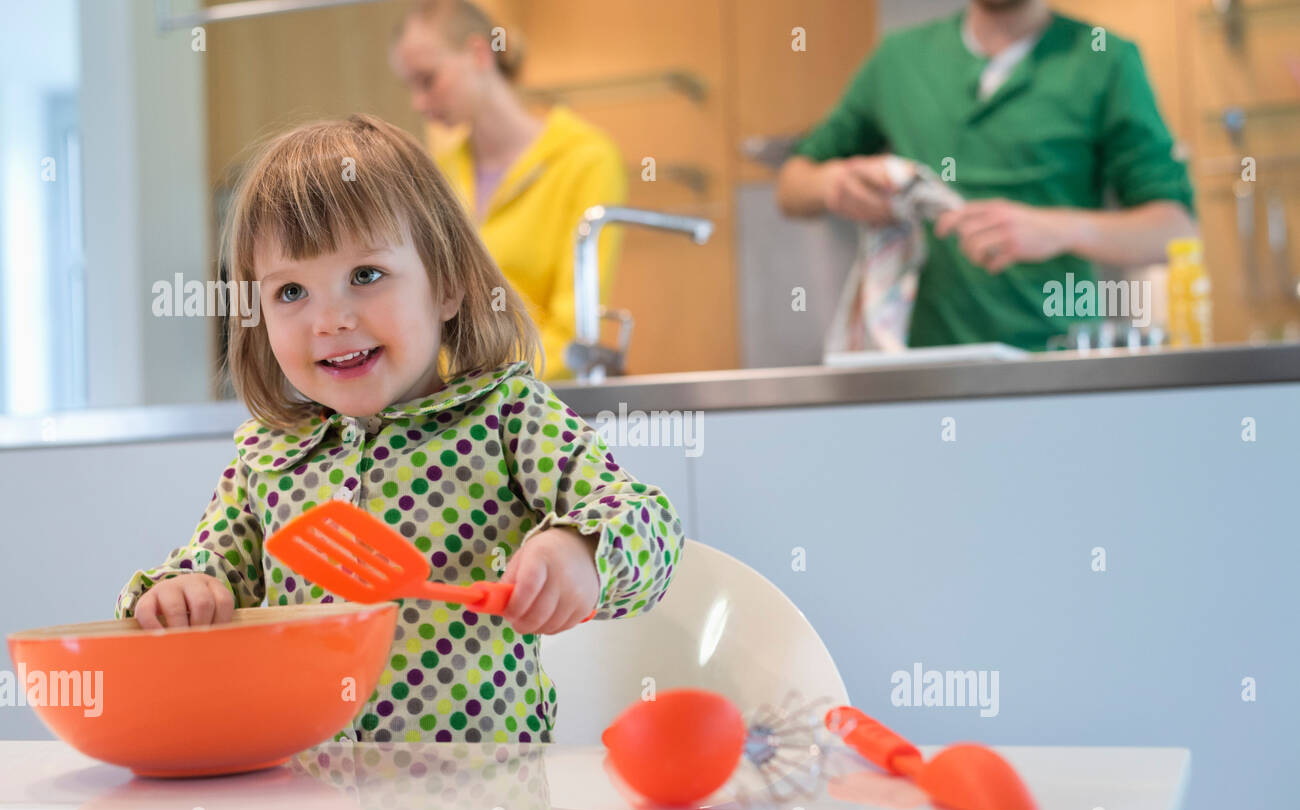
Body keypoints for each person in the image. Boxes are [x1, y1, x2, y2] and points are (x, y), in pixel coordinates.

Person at [115, 114, 683, 744]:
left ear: (448, 286)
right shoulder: (266, 461)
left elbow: (645, 521)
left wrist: (583, 551)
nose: (330, 320)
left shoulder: (507, 417)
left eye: (365, 276)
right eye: (292, 292)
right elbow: (212, 568)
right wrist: (181, 594)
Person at [776, 0, 1197, 351]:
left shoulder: (1105, 60)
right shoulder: (897, 61)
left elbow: (1175, 232)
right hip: (923, 368)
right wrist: (834, 185)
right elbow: (793, 183)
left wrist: (1057, 228)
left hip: (1056, 361)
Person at [390, 0, 626, 378]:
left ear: (479, 53)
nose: (419, 102)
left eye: (428, 79)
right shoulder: (437, 169)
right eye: (411, 86)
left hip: (538, 397)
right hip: (450, 400)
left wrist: (469, 385)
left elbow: (574, 332)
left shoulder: (586, 159)